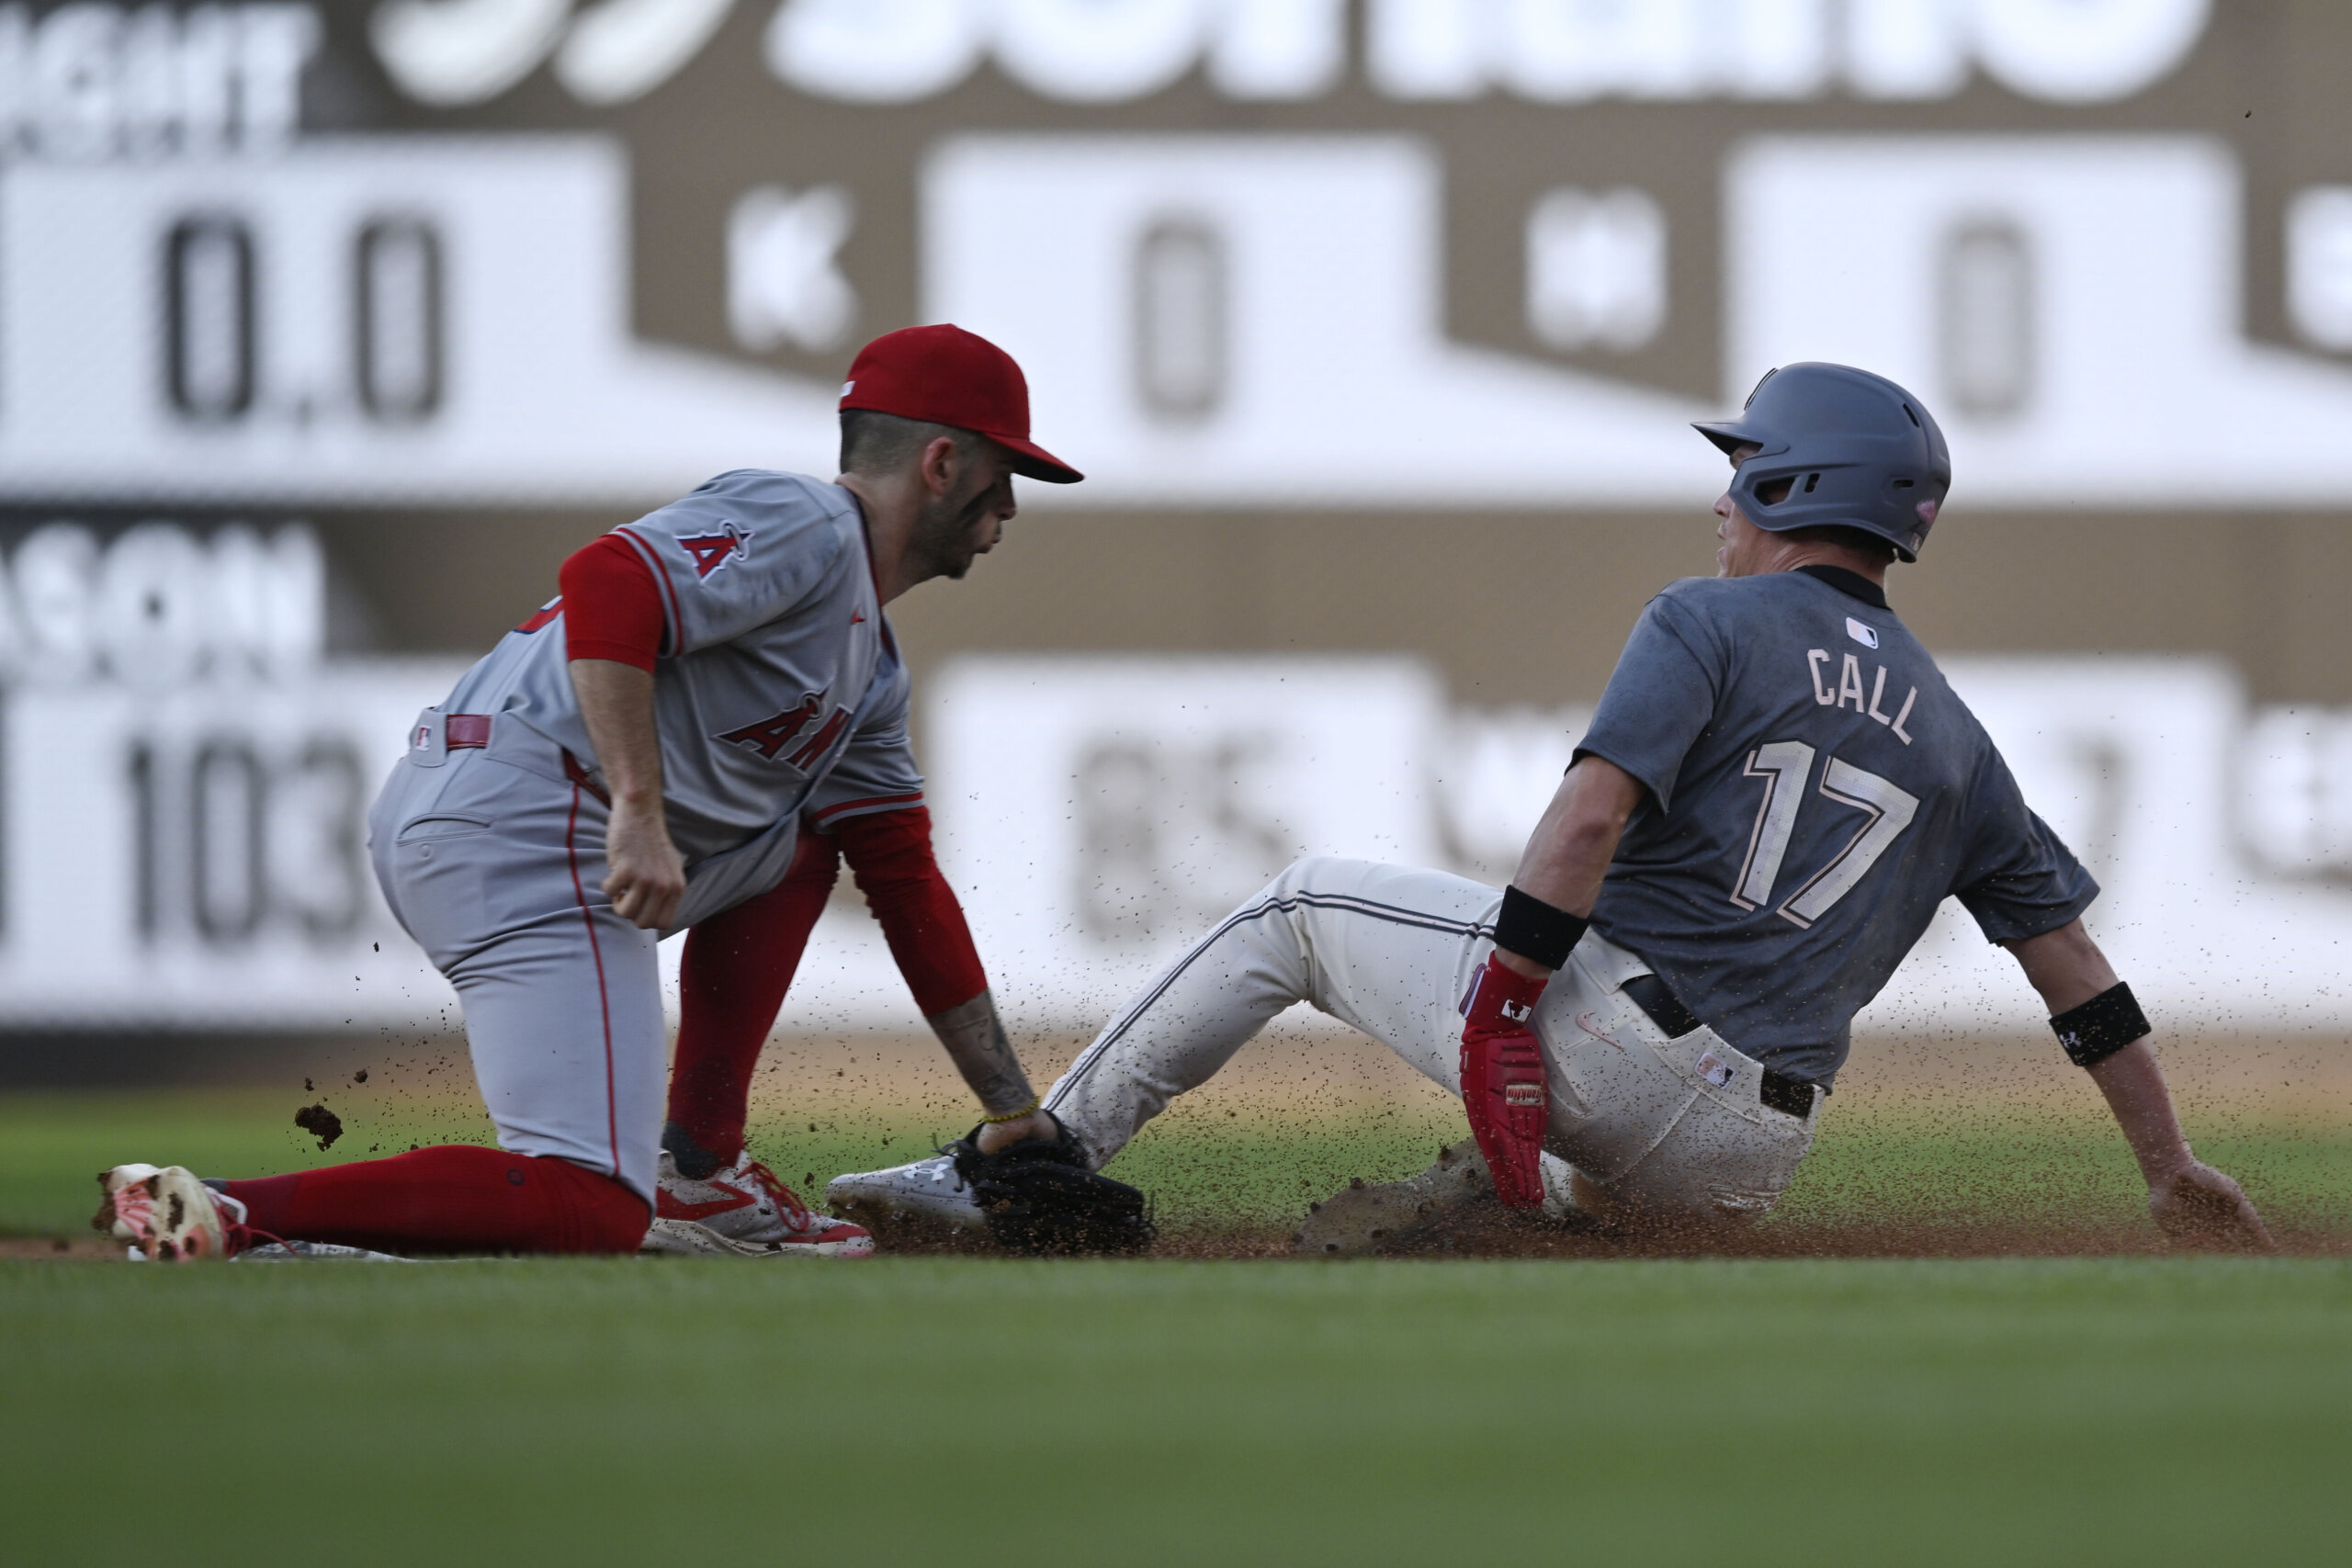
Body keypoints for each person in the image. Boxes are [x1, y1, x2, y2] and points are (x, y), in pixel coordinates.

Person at [827, 363, 2274, 1256]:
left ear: (1796, 480)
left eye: (1742, 466)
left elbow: (1586, 823)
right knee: (1582, 1191)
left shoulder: (1712, 618)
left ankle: (1018, 1166)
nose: (1724, 497)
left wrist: (1505, 1007)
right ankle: (1501, 1223)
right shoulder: (1958, 737)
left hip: (1613, 1047)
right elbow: (2078, 974)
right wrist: (2167, 1166)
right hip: (1751, 1151)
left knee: (1301, 905)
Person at [96, 324, 1082, 1261]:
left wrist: (1011, 1111)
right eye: (1003, 475)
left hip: (505, 808)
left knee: (804, 844)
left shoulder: (872, 671)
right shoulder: (811, 524)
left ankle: (700, 1167)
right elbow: (609, 578)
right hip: (527, 816)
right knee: (592, 1203)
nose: (1008, 507)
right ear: (940, 464)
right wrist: (638, 810)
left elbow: (903, 881)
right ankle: (227, 1210)